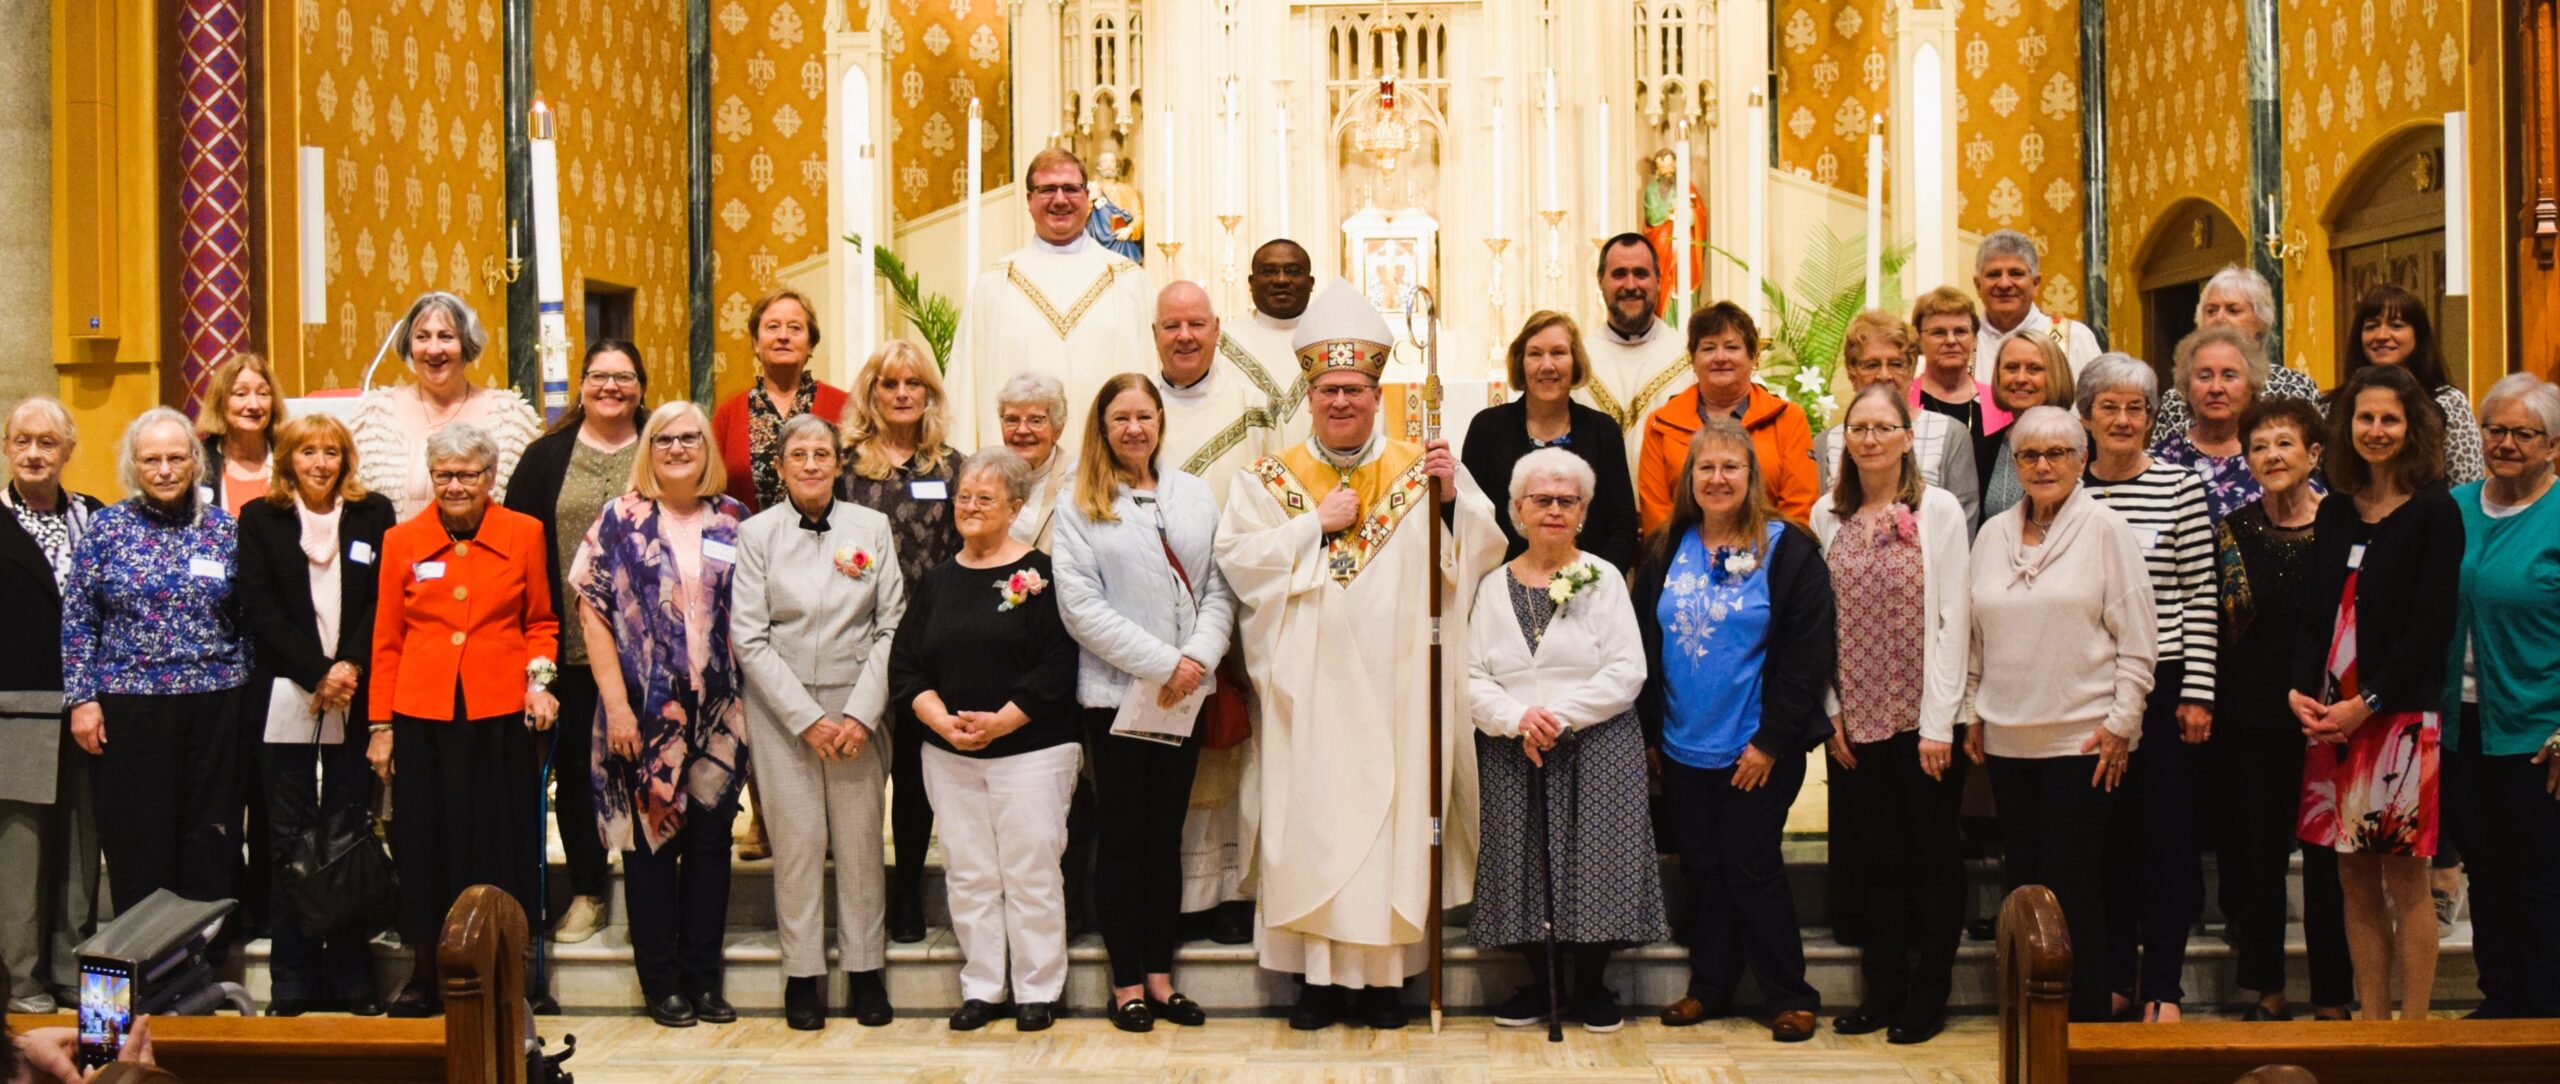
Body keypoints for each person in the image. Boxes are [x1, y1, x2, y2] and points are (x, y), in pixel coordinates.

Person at [1212, 279, 1505, 1030]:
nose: (1341, 401)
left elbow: (1480, 550)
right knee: (1311, 827)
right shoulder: (1268, 478)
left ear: (1378, 396)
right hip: (1307, 690)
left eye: (1355, 389)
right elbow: (1238, 563)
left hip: (1397, 684)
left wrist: (1453, 500)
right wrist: (1314, 525)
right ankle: (1316, 983)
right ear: (1308, 397)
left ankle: (1383, 984)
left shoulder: (1421, 467)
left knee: (1390, 828)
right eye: (1329, 390)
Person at [1636, 418, 1835, 1042]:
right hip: (1682, 744)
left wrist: (1770, 741)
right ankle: (1709, 988)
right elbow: (1644, 641)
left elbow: (1807, 653)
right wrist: (1651, 734)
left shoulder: (1787, 548)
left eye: (1731, 467)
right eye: (1706, 467)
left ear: (1753, 476)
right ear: (1688, 478)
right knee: (1702, 867)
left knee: (1752, 866)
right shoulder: (1667, 546)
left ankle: (1791, 995)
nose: (1717, 478)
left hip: (1756, 745)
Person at [1052, 375, 1235, 1032]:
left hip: (1183, 698)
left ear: (1160, 421)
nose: (1134, 429)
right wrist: (1165, 664)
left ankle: (1161, 978)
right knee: (1124, 837)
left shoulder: (1192, 493)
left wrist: (1197, 659)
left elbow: (1218, 587)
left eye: (1144, 416)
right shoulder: (1079, 499)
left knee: (1165, 837)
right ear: (1102, 428)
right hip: (1117, 697)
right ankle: (1125, 983)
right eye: (1120, 419)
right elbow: (1080, 607)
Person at [1465, 447, 1665, 1034]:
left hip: (1597, 744)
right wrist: (1517, 719)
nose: (1554, 510)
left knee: (1598, 861)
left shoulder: (1602, 578)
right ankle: (1541, 981)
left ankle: (1591, 987)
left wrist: (1556, 718)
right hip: (1512, 745)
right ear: (1517, 509)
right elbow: (1472, 675)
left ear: (1582, 512)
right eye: (1542, 499)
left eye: (1567, 501)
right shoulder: (1491, 586)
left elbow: (1627, 670)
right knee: (1519, 862)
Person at [1967, 405, 2158, 1023]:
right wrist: (1971, 710)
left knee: (2074, 888)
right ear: (2015, 463)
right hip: (2007, 740)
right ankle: (2028, 1017)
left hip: (2083, 741)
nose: (2043, 465)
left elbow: (2139, 639)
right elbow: (1974, 635)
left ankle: (2084, 1026)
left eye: (2057, 453)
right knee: (2023, 887)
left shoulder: (2106, 529)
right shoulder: (1992, 534)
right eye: (2029, 454)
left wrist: (2122, 724)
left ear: (2081, 460)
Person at [367, 421, 559, 1017]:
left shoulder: (524, 532)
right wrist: (380, 726)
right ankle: (427, 971)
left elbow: (541, 622)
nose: (454, 485)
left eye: (467, 475)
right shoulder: (401, 540)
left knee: (501, 841)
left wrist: (539, 684)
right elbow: (387, 639)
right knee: (425, 843)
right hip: (422, 714)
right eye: (443, 474)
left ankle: (506, 969)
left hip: (498, 711)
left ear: (490, 476)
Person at [2289, 363, 2462, 1021]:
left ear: (2412, 427)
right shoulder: (2336, 509)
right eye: (2366, 417)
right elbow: (2316, 612)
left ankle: (2411, 1032)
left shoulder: (2435, 512)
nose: (2377, 429)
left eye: (2391, 418)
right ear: (2348, 426)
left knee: (2405, 880)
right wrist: (2300, 691)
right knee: (2351, 877)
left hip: (2397, 718)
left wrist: (2368, 703)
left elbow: (2430, 629)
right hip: (2330, 719)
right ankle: (2371, 1023)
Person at [888, 449, 1082, 1033]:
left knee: (1031, 872)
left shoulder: (1043, 575)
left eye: (985, 498)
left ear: (1015, 508)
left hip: (1033, 751)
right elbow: (907, 664)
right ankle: (982, 986)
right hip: (950, 754)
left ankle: (1037, 989)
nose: (970, 507)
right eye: (964, 497)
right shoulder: (939, 580)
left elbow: (1057, 665)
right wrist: (941, 722)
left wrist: (1001, 722)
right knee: (969, 873)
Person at [570, 402, 751, 1028]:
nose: (678, 448)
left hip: (720, 714)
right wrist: (618, 707)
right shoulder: (620, 519)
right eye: (665, 439)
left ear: (707, 448)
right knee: (650, 846)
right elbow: (592, 614)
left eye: (690, 438)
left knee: (711, 846)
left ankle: (703, 979)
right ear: (649, 449)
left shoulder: (734, 519)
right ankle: (661, 983)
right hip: (642, 713)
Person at [1809, 385, 1972, 1044]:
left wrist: (1939, 723)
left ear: (1907, 437)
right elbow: (1819, 623)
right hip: (1856, 722)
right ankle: (1883, 990)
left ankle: (1928, 994)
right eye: (1859, 428)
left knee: (1932, 860)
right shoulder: (1827, 513)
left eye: (1883, 427)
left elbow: (1954, 618)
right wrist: (1831, 713)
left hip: (1922, 720)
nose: (1870, 438)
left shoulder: (1938, 510)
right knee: (1875, 864)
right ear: (1844, 441)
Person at [732, 414, 905, 1030]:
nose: (810, 464)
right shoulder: (756, 534)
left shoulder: (871, 527)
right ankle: (802, 974)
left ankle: (865, 970)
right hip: (784, 713)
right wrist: (805, 719)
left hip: (858, 707)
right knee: (798, 846)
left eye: (821, 454)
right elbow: (748, 637)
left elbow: (892, 624)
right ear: (779, 467)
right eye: (798, 455)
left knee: (860, 846)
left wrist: (861, 713)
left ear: (838, 464)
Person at [233, 414, 394, 1017]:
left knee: (347, 833)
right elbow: (260, 607)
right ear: (288, 460)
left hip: (355, 691)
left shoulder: (373, 513)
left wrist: (348, 666)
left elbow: (381, 598)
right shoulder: (261, 518)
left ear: (346, 459)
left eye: (331, 452)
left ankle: (353, 978)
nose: (320, 463)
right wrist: (317, 672)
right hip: (287, 692)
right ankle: (293, 980)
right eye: (307, 452)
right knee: (288, 837)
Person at [2073, 354, 2218, 1022]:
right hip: (2088, 690)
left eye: (2137, 408)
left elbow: (2201, 593)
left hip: (2164, 688)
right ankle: (2112, 976)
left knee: (2165, 840)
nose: (2124, 420)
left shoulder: (2180, 487)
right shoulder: (2069, 486)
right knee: (2105, 841)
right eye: (2110, 407)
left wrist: (2198, 692)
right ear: (2086, 417)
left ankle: (2163, 985)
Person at [62, 408, 249, 914]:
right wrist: (82, 699)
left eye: (176, 458)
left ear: (195, 462)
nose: (165, 470)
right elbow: (79, 618)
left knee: (208, 837)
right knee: (137, 835)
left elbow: (247, 618)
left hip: (214, 704)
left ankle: (203, 951)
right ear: (134, 465)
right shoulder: (106, 528)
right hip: (130, 706)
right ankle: (144, 950)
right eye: (151, 460)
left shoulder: (224, 529)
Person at [501, 340, 648, 946]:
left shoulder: (662, 443)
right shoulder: (545, 457)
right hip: (568, 645)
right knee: (579, 773)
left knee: (650, 769)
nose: (611, 387)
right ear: (581, 386)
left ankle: (649, 891)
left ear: (641, 386)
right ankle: (588, 889)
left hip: (653, 650)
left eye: (624, 377)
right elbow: (515, 544)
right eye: (599, 376)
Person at [2211, 397, 2352, 1022]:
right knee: (2256, 856)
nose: (2271, 456)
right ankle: (2265, 989)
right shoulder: (2233, 529)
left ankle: (2332, 995)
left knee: (2327, 862)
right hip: (2250, 716)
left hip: (2328, 715)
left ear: (2314, 453)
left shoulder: (2342, 525)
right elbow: (2222, 625)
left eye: (2285, 443)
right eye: (2260, 446)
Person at [1150, 280, 1274, 945]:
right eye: (1172, 325)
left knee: (1235, 743)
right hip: (1156, 608)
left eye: (1196, 324)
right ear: (1155, 334)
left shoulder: (1251, 404)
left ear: (1217, 329)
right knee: (1169, 749)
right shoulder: (1136, 405)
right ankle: (1175, 895)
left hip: (1236, 596)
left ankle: (1233, 889)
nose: (1185, 336)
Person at [836, 339, 964, 944]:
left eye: (914, 383)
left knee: (914, 777)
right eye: (890, 383)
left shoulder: (952, 467)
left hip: (927, 646)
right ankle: (859, 897)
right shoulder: (842, 464)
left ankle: (908, 888)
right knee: (858, 781)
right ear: (872, 392)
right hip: (855, 638)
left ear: (930, 393)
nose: (903, 394)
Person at [2442, 372, 2560, 1018]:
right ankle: (2502, 1002)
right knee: (2484, 871)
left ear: (2553, 446)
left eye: (2524, 433)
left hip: (2538, 731)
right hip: (2460, 726)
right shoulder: (2454, 508)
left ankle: (2546, 1013)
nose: (2506, 443)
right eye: (2496, 430)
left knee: (2540, 878)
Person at [945, 147, 1155, 449]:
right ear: (1029, 200)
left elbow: (1151, 378)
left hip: (1110, 469)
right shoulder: (995, 285)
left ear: (1087, 196)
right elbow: (966, 390)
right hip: (1015, 472)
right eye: (1047, 190)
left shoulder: (1128, 280)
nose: (1060, 199)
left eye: (1071, 189)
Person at [0, 398, 101, 1015]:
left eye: (47, 443)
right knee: (21, 853)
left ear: (68, 450)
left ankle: (69, 968)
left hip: (88, 708)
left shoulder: (93, 515)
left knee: (81, 850)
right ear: (7, 447)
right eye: (22, 441)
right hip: (16, 709)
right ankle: (20, 980)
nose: (34, 454)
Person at [1460, 311, 1641, 572]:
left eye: (1558, 353)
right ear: (1521, 363)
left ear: (1575, 361)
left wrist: (1597, 583)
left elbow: (1621, 524)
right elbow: (1471, 521)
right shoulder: (1487, 430)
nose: (1547, 365)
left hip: (1588, 586)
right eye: (1535, 354)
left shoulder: (1603, 432)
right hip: (1503, 585)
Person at [348, 292, 544, 517]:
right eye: (422, 337)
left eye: (446, 337)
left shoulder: (509, 418)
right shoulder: (374, 416)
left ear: (466, 343)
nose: (433, 349)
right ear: (409, 346)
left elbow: (527, 508)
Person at [1636, 301, 1819, 530]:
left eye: (1732, 347)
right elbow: (1657, 513)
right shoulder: (1660, 424)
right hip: (1682, 551)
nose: (1720, 357)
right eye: (1708, 348)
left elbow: (1798, 508)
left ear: (1753, 357)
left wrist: (1759, 549)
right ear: (1693, 360)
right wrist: (1693, 549)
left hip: (1772, 549)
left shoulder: (1788, 419)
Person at [1812, 310, 1980, 525]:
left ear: (1911, 370)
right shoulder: (1826, 443)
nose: (1884, 375)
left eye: (1896, 364)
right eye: (1871, 365)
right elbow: (1818, 526)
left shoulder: (1950, 434)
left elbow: (1961, 524)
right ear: (1852, 373)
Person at [711, 289, 850, 513]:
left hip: (830, 534)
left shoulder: (845, 407)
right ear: (756, 342)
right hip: (747, 534)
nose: (783, 336)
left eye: (795, 328)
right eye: (772, 327)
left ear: (811, 344)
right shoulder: (728, 414)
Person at [2149, 266, 2323, 438]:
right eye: (2211, 311)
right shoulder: (2176, 399)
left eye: (2233, 310)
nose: (2219, 318)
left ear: (2260, 320)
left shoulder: (2296, 388)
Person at [2337, 284, 2484, 486]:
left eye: (2396, 326)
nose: (2381, 336)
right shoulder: (2334, 405)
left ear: (2418, 335)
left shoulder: (2448, 402)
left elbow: (2465, 483)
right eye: (2371, 326)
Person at [1582, 234, 1694, 470]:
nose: (1631, 286)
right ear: (1600, 281)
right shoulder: (1578, 360)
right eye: (1619, 274)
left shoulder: (1690, 356)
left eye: (1641, 274)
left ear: (1659, 280)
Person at [2151, 326, 2280, 522]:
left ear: (2252, 385)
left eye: (2229, 376)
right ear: (2186, 386)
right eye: (2204, 376)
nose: (2216, 388)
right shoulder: (2160, 462)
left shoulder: (2276, 457)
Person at [1216, 240, 1317, 448]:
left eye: (1293, 271)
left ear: (1311, 282)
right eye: (1269, 271)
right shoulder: (1222, 343)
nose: (1281, 280)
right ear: (1251, 282)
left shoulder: (1334, 340)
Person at [1968, 230, 2102, 381]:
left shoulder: (2075, 338)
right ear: (1978, 285)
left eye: (2016, 273)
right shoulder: (1961, 343)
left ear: (2035, 283)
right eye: (1994, 274)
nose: (2004, 284)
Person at [1978, 333, 2078, 526]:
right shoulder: (1984, 449)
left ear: (2056, 374)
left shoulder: (2082, 444)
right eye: (2011, 368)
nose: (2021, 378)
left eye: (2034, 369)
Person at [1909, 287, 2015, 464]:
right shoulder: (1903, 399)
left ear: (1974, 338)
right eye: (1938, 332)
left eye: (1960, 331)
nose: (1951, 340)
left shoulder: (2000, 402)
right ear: (1919, 340)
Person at [195, 352, 283, 518]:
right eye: (241, 394)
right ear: (220, 401)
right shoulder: (197, 462)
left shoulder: (288, 458)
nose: (254, 405)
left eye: (263, 394)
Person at [996, 373, 1075, 552]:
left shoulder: (1079, 479)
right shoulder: (988, 475)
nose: (1022, 430)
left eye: (1035, 420)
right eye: (1012, 420)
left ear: (1058, 429)